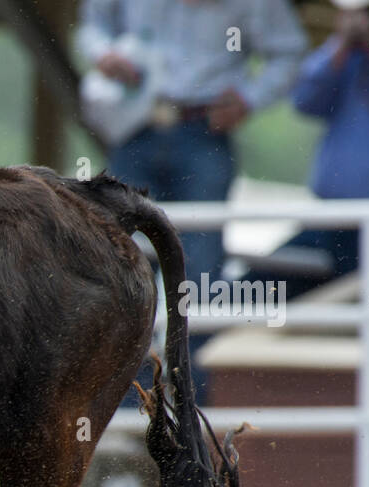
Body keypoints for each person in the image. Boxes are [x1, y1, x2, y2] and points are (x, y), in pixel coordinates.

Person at [76, 0, 307, 288]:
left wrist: (250, 98)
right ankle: (127, 332)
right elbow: (93, 24)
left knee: (200, 259)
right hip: (134, 124)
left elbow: (289, 50)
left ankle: (191, 333)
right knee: (121, 254)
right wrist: (104, 53)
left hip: (203, 128)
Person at [242, 0, 369, 299]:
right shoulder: (350, 56)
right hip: (334, 221)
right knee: (248, 292)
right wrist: (340, 46)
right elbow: (303, 99)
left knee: (361, 311)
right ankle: (194, 343)